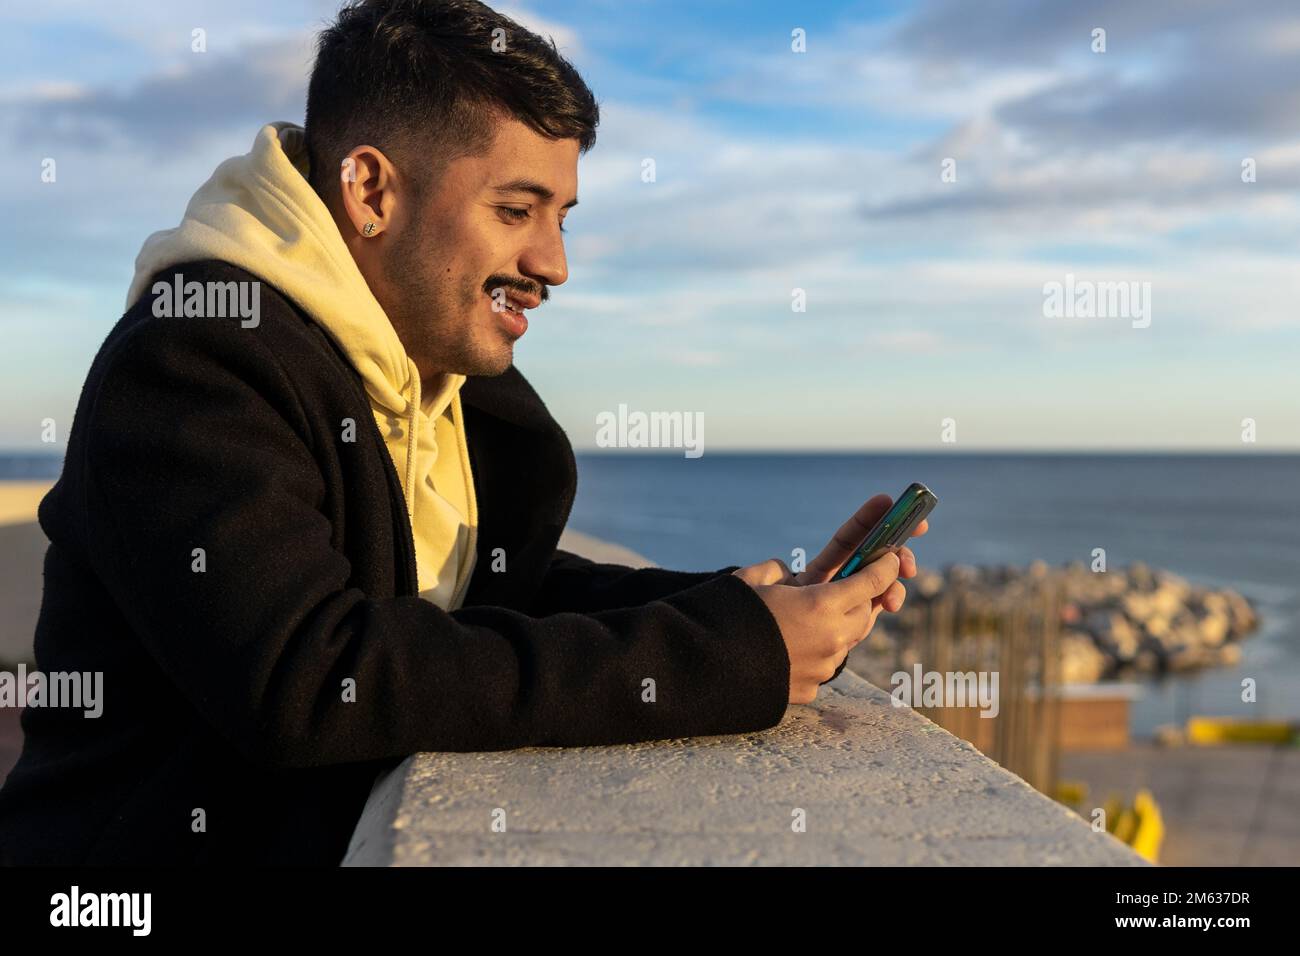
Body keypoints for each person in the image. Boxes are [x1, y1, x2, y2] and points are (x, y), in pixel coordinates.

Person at [0, 0, 924, 866]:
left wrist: (746, 609)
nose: (552, 264)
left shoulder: (426, 375)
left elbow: (489, 591)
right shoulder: (195, 364)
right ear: (370, 190)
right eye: (515, 211)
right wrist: (726, 658)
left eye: (561, 218)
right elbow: (312, 677)